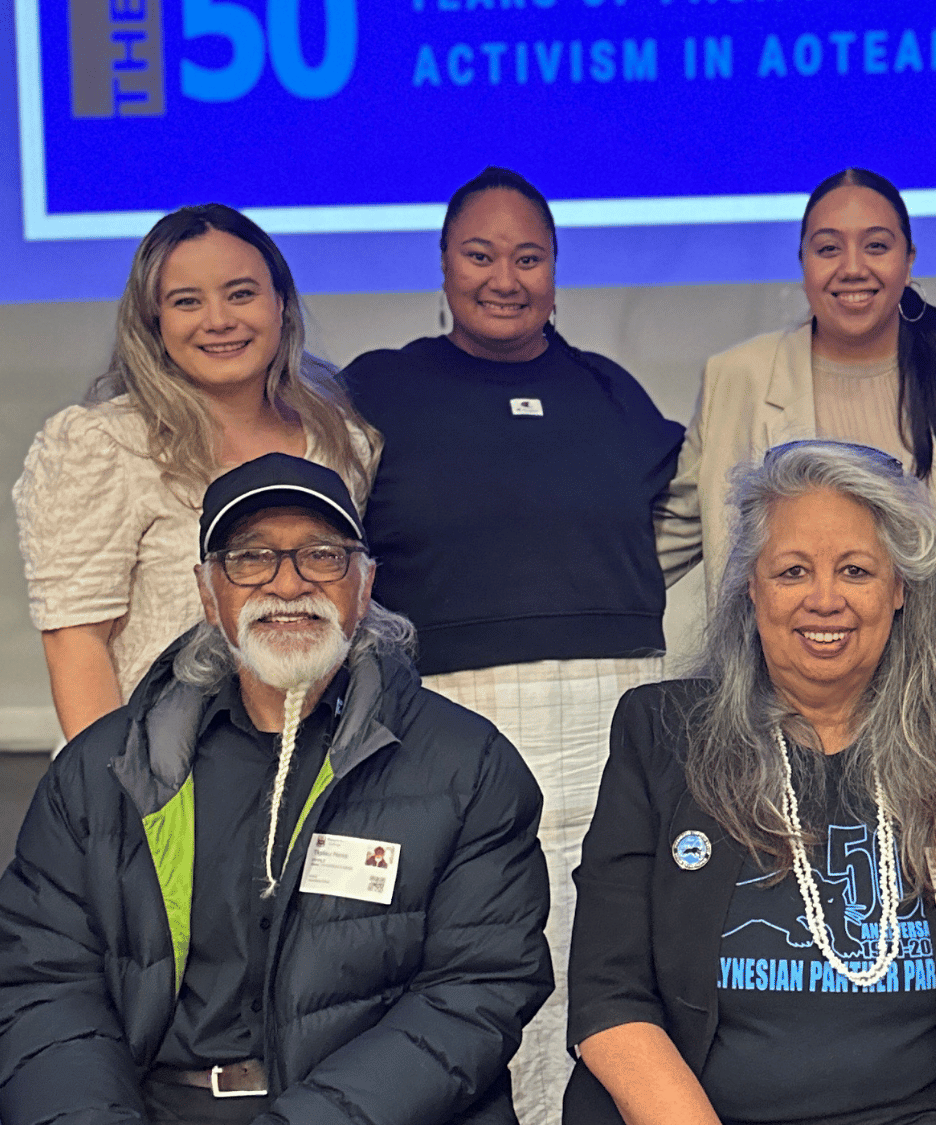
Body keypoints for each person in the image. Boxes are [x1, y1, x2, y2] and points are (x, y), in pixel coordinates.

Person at [0, 453, 553, 1125]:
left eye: (322, 555)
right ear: (207, 593)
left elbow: (475, 990)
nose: (287, 583)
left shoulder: (468, 766)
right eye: (250, 558)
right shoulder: (101, 770)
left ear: (363, 587)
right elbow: (39, 983)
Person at [567, 441, 936, 1125]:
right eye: (793, 570)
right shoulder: (662, 735)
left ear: (900, 588)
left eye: (857, 569)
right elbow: (609, 995)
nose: (825, 599)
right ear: (751, 585)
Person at [339, 166, 684, 1123]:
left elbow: (682, 523)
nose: (504, 276)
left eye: (527, 256)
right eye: (480, 254)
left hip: (608, 718)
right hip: (447, 721)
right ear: (443, 265)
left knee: (601, 942)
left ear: (556, 271)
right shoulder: (376, 391)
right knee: (462, 943)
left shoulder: (611, 393)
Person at [15, 204, 379, 739]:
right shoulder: (101, 445)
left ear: (281, 303)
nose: (218, 320)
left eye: (241, 294)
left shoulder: (342, 441)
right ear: (153, 322)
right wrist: (114, 795)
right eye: (187, 301)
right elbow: (76, 643)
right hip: (159, 773)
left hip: (313, 761)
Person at [656, 168, 936, 619]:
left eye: (877, 246)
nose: (852, 268)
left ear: (909, 260)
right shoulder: (738, 377)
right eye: (828, 249)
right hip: (786, 675)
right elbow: (671, 534)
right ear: (803, 262)